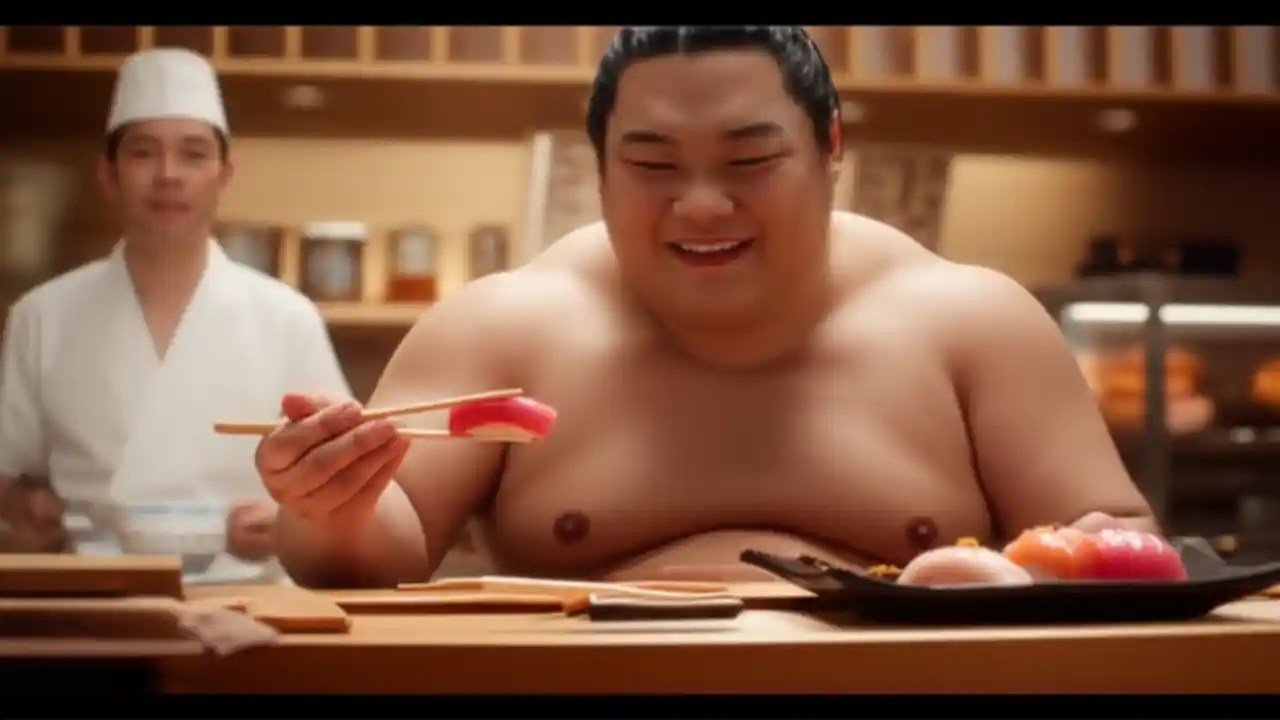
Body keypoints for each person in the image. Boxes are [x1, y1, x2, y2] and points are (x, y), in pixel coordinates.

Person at [254, 27, 1158, 589]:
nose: (700, 205)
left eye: (749, 161)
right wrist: (332, 506)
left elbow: (1117, 543)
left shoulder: (972, 321)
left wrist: (1083, 549)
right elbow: (381, 553)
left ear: (830, 147)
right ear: (599, 165)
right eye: (651, 165)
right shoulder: (503, 326)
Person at [0, 48, 352, 584]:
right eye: (144, 153)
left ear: (225, 174)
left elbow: (344, 478)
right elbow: (7, 472)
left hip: (255, 605)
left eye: (192, 155)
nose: (168, 176)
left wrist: (292, 524)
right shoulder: (42, 315)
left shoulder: (287, 317)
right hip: (88, 603)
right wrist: (23, 507)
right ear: (108, 173)